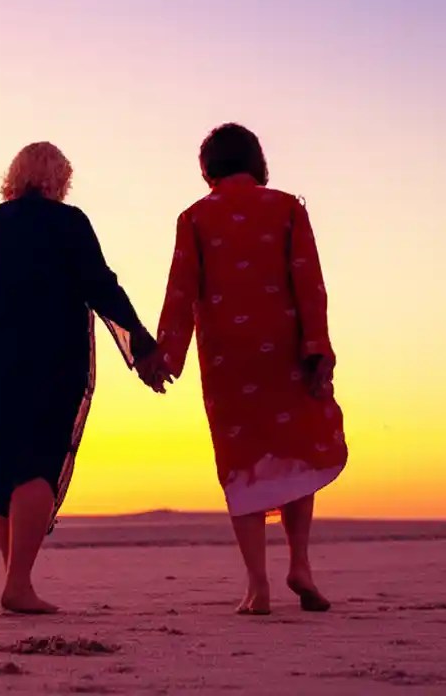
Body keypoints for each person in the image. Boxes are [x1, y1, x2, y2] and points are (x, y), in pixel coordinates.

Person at [0, 142, 157, 614]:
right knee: (39, 464)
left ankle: (15, 581)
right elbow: (102, 287)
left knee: (1, 470)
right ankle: (18, 583)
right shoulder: (68, 224)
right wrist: (140, 347)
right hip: (50, 362)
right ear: (58, 180)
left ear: (14, 176)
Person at [138, 123, 348, 615]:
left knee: (243, 463)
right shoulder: (287, 208)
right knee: (296, 455)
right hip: (287, 348)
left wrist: (165, 356)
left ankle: (258, 586)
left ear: (207, 169)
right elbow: (309, 280)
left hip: (229, 358)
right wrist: (318, 346)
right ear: (256, 161)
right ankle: (300, 564)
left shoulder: (194, 218)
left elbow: (181, 291)